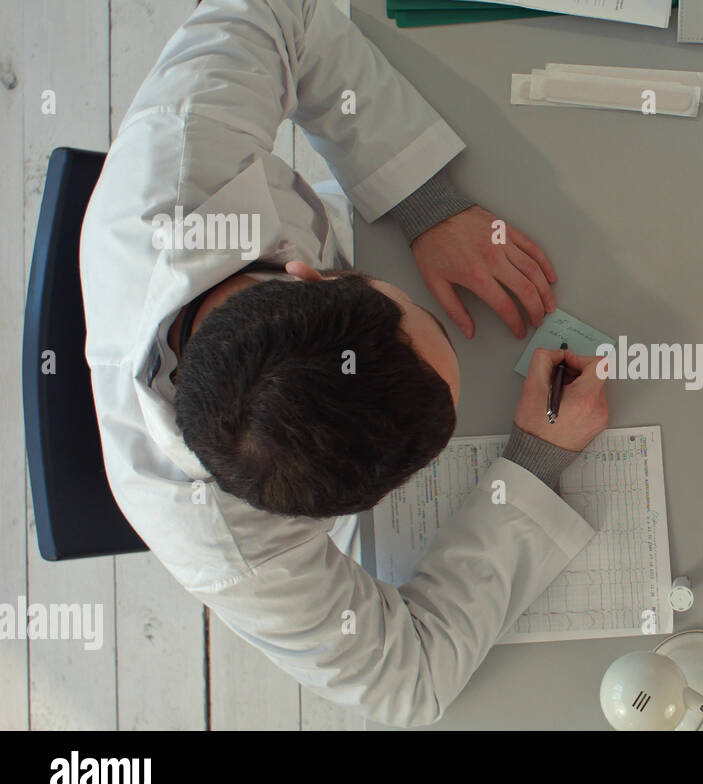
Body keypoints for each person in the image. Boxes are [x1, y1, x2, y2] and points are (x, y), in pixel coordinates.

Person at [81, 0, 609, 727]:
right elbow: (410, 682)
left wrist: (427, 205)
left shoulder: (178, 161)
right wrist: (532, 464)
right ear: (334, 512)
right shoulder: (227, 548)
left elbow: (276, 12)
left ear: (309, 274)